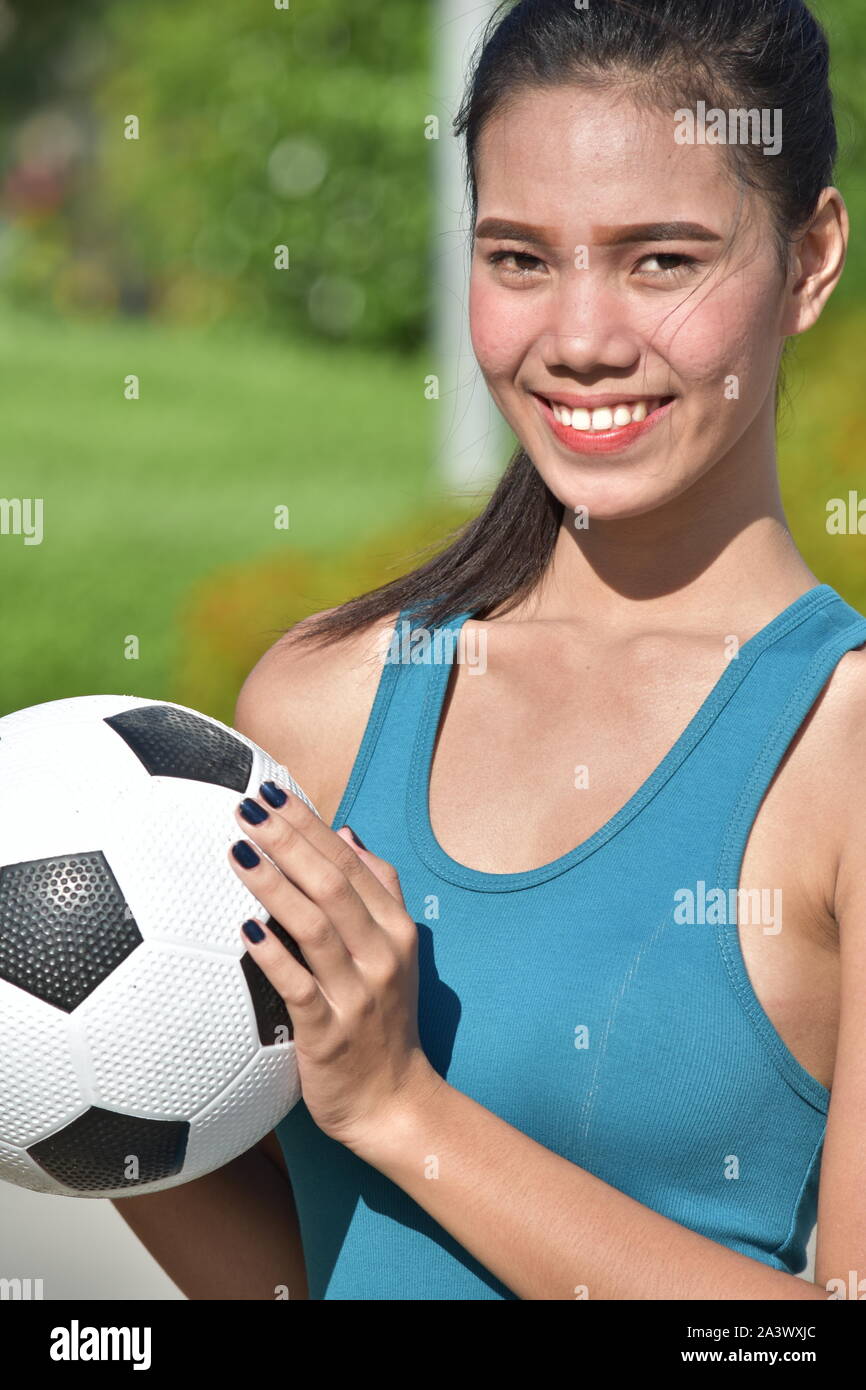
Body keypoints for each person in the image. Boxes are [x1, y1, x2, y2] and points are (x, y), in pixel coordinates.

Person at [115, 0, 866, 1300]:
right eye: (518, 258)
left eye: (660, 260)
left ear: (808, 259)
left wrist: (402, 1110)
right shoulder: (321, 700)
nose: (576, 338)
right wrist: (90, 1096)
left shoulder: (839, 750)